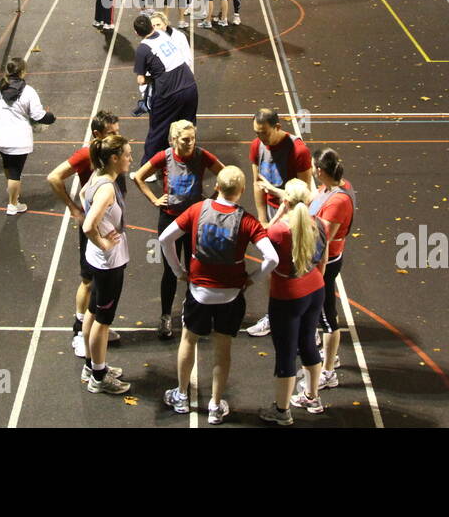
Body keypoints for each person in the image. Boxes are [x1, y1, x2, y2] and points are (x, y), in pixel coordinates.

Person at [159, 165, 278, 423]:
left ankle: (181, 395)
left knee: (188, 340)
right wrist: (252, 279)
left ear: (216, 187)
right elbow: (273, 258)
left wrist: (178, 270)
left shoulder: (197, 210)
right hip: (231, 296)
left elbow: (165, 239)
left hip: (198, 292)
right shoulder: (247, 221)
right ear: (242, 191)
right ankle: (214, 405)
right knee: (223, 349)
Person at [134, 120, 224, 339]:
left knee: (194, 268)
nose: (190, 142)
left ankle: (191, 311)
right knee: (170, 271)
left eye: (192, 138)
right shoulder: (164, 157)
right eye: (185, 139)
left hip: (193, 221)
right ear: (173, 140)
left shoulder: (202, 155)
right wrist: (155, 199)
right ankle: (165, 316)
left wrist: (210, 201)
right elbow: (138, 176)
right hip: (170, 220)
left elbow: (225, 174)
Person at [47, 111, 123, 358]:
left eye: (117, 131)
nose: (117, 136)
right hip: (93, 226)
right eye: (112, 133)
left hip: (108, 224)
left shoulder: (112, 154)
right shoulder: (85, 155)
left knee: (103, 282)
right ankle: (80, 331)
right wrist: (73, 207)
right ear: (97, 135)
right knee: (89, 280)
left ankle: (98, 326)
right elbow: (54, 177)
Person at [257, 178, 329, 424]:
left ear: (285, 201)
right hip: (315, 289)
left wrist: (278, 212)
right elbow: (323, 262)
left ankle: (281, 410)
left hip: (287, 295)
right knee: (308, 342)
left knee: (286, 353)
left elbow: (264, 244)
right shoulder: (319, 225)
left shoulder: (279, 231)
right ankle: (312, 396)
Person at [244, 109, 313, 337]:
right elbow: (257, 184)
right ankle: (273, 315)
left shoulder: (298, 150)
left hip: (295, 214)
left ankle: (307, 321)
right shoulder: (257, 146)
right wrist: (263, 219)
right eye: (257, 133)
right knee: (273, 264)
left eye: (264, 133)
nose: (261, 138)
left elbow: (304, 195)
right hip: (273, 211)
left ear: (277, 127)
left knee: (299, 267)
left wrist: (281, 214)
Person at [81, 133, 133, 393]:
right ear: (114, 158)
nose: (130, 159)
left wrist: (99, 237)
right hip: (108, 262)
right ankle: (99, 379)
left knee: (93, 311)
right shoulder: (107, 189)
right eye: (127, 155)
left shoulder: (96, 176)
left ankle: (92, 366)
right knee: (103, 320)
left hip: (97, 259)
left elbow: (81, 194)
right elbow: (88, 224)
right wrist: (104, 242)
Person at [0, 57, 56, 215]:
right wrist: (51, 117)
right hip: (18, 141)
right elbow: (38, 116)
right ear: (23, 72)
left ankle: (12, 191)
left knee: (7, 166)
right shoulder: (29, 92)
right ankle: (13, 204)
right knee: (15, 172)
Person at [310, 148, 355, 390]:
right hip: (318, 260)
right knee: (318, 309)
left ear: (319, 170)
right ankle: (328, 356)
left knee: (327, 315)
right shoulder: (328, 189)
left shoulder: (338, 201)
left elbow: (321, 236)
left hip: (325, 263)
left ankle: (328, 370)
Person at [132, 13, 199, 166]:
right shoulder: (164, 35)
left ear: (136, 33)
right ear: (151, 26)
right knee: (187, 128)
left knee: (158, 130)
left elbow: (141, 79)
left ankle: (149, 168)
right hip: (189, 85)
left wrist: (155, 78)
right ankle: (188, 162)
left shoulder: (143, 49)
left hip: (168, 92)